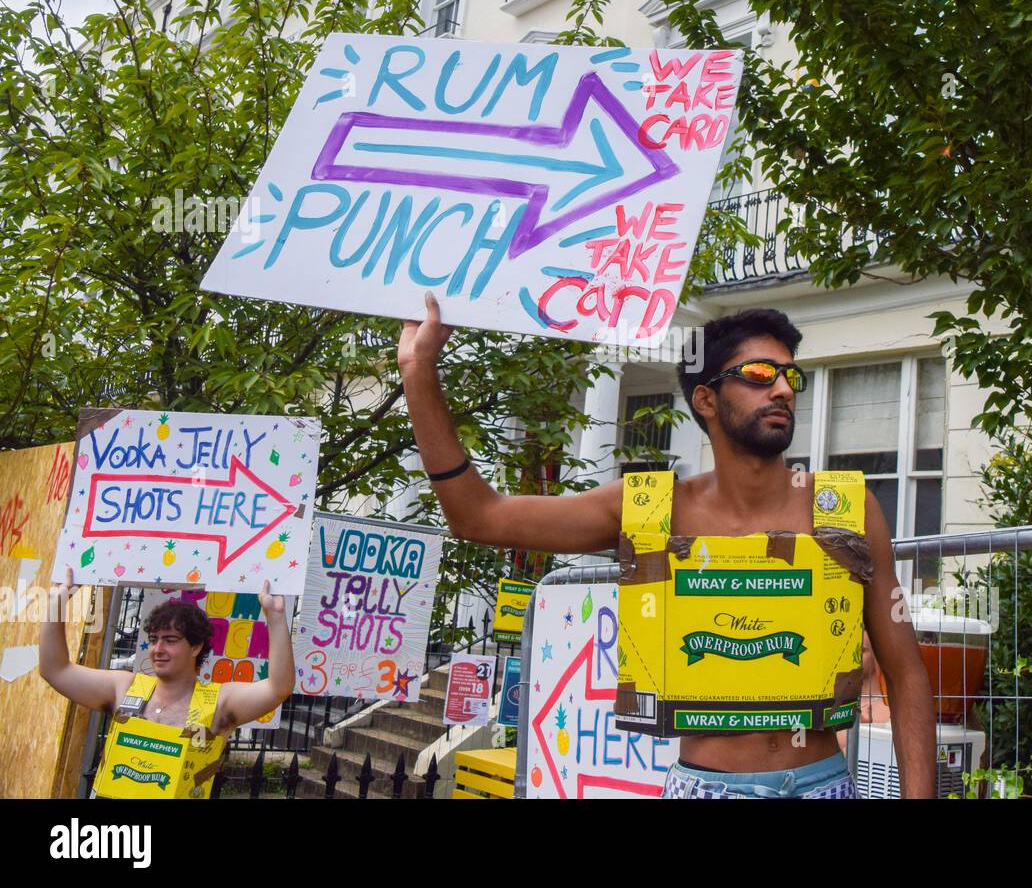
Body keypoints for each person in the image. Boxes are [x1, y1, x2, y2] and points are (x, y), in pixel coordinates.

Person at [399, 294, 936, 798]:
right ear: (706, 398)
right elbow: (477, 515)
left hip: (824, 782)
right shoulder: (650, 507)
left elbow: (907, 673)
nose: (783, 389)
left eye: (789, 375)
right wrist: (418, 372)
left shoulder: (847, 508)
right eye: (758, 374)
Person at [40, 570, 295, 798]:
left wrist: (275, 615)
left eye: (170, 640)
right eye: (153, 639)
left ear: (196, 647)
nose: (157, 649)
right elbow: (56, 670)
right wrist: (56, 604)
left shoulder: (218, 702)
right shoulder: (125, 687)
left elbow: (278, 688)